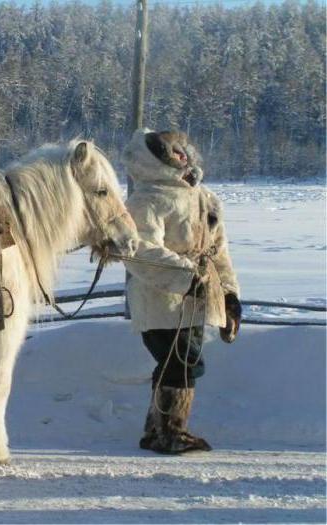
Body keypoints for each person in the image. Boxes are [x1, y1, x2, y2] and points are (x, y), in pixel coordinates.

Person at [122, 129, 242, 454]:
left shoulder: (202, 197)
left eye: (183, 149)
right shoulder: (147, 199)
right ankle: (171, 432)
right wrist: (186, 277)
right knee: (182, 361)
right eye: (173, 151)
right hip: (161, 299)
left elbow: (218, 250)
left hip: (197, 295)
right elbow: (139, 250)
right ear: (158, 157)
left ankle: (158, 430)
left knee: (179, 360)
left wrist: (229, 295)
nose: (182, 155)